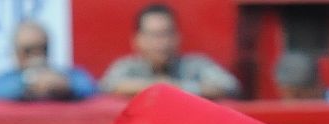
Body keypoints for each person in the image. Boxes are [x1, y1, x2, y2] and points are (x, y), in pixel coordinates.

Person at [101, 5, 240, 100]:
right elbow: (107, 85)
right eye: (153, 35)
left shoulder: (196, 65)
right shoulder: (127, 66)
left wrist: (176, 88)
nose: (161, 42)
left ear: (177, 37)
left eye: (166, 34)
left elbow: (229, 86)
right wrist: (160, 87)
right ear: (138, 40)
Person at [0, 21, 97, 102]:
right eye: (28, 50)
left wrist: (65, 85)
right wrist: (28, 82)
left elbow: (89, 86)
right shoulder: (6, 80)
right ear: (16, 52)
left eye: (42, 48)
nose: (36, 54)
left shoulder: (64, 75)